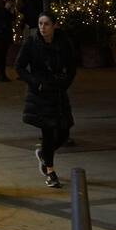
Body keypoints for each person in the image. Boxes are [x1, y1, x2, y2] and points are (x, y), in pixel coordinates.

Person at [16, 13, 77, 188]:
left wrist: (65, 82)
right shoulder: (32, 43)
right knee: (49, 132)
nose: (42, 27)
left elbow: (72, 66)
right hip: (41, 93)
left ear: (54, 26)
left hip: (58, 91)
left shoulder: (63, 42)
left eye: (46, 24)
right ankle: (50, 171)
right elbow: (19, 66)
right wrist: (36, 83)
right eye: (40, 23)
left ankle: (44, 154)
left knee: (64, 130)